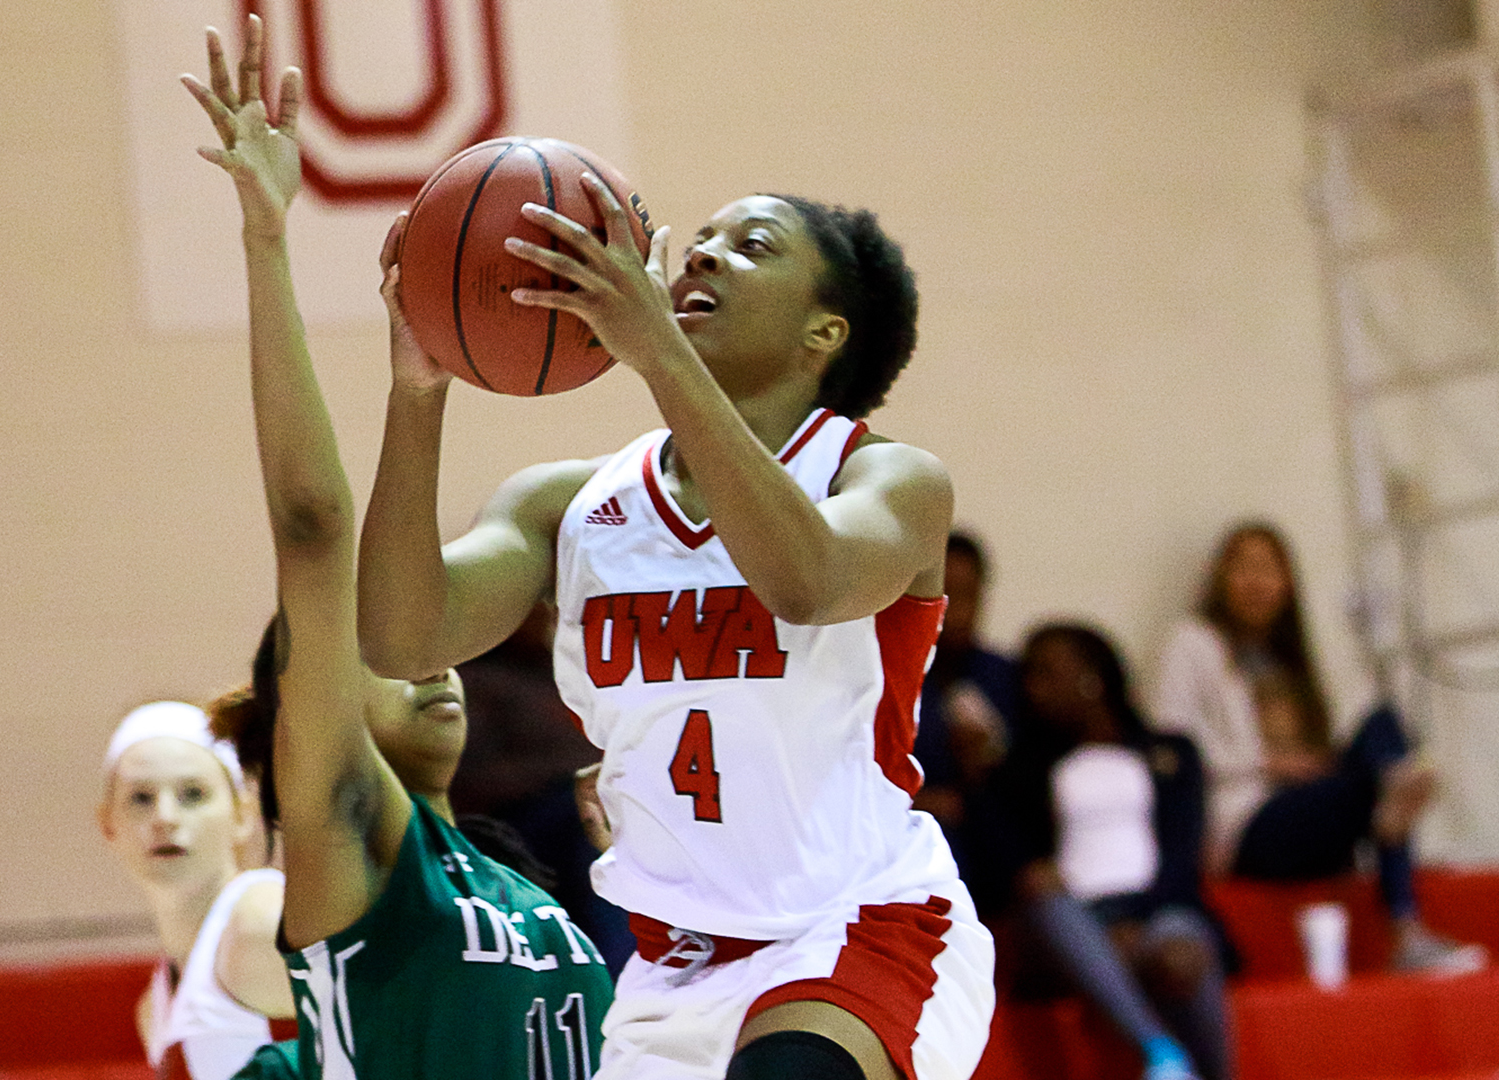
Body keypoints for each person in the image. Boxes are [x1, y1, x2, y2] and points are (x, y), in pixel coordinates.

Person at [349, 48, 993, 1080]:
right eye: (698, 242)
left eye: (753, 246)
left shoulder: (888, 484)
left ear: (824, 331)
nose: (703, 257)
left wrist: (660, 357)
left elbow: (808, 581)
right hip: (674, 971)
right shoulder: (568, 503)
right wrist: (420, 388)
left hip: (858, 927)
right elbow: (400, 637)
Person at [181, 19, 613, 1078]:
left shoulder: (513, 879)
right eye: (370, 658)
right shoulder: (357, 847)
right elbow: (315, 535)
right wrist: (266, 239)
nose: (427, 660)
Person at [1150, 522, 1485, 975]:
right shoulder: (1190, 642)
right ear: (1219, 578)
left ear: (1287, 584)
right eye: (1243, 568)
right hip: (1245, 823)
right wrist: (1270, 764)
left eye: (1269, 570)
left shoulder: (1296, 659)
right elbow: (1168, 747)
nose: (1256, 582)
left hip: (1307, 812)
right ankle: (1404, 925)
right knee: (1381, 787)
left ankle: (1395, 792)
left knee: (1379, 723)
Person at [985, 623, 1229, 1080]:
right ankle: (1159, 1052)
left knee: (1183, 948)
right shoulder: (1019, 771)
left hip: (1156, 911)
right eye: (1028, 676)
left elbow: (1181, 855)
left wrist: (1133, 920)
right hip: (1074, 925)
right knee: (1047, 904)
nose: (1032, 687)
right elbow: (1011, 862)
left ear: (1091, 677)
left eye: (1047, 673)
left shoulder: (1171, 751)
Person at [98, 700, 293, 1080]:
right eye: (141, 798)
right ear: (107, 825)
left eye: (193, 794)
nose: (165, 818)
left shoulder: (262, 924)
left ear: (243, 814)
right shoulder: (153, 1007)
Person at [451, 603, 634, 972]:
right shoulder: (478, 682)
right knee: (588, 823)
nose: (547, 610)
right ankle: (618, 971)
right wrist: (561, 777)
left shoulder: (564, 672)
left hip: (581, 805)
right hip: (521, 829)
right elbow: (463, 779)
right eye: (532, 602)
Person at [912, 530, 1019, 867]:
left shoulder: (1006, 676)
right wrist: (922, 802)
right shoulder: (886, 675)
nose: (958, 613)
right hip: (912, 836)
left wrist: (990, 760)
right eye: (947, 596)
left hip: (993, 846)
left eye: (969, 596)